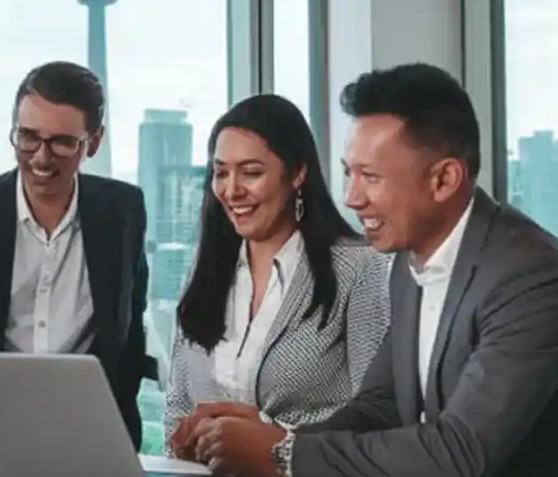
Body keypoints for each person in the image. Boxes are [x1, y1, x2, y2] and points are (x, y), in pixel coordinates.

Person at [177, 63, 558, 477]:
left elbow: (460, 452)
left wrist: (280, 454)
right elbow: (378, 408)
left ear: (444, 179)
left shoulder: (529, 276)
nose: (352, 197)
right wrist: (271, 436)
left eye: (371, 177)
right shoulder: (411, 263)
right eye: (350, 174)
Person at [0, 60, 150, 454]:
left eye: (62, 142)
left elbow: (129, 325)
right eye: (28, 137)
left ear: (94, 143)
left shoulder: (122, 210)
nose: (41, 158)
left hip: (92, 431)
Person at [165, 94, 390, 453]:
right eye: (221, 172)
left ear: (297, 173)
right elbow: (178, 407)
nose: (232, 189)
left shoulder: (358, 269)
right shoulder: (205, 268)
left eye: (251, 172)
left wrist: (271, 439)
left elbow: (379, 417)